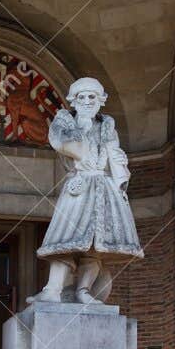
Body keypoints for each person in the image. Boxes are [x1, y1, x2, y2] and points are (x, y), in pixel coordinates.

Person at [33, 77, 144, 304]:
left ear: (100, 100)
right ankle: (52, 290)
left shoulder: (107, 126)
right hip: (80, 187)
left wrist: (120, 170)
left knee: (95, 245)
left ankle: (83, 291)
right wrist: (82, 128)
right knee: (65, 239)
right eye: (81, 97)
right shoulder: (65, 121)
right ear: (73, 101)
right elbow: (62, 143)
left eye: (91, 97)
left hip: (105, 188)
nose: (86, 101)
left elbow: (113, 155)